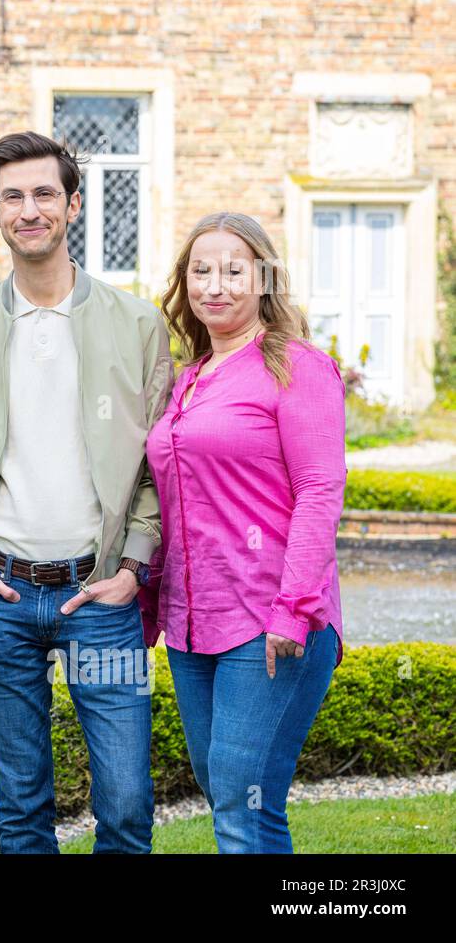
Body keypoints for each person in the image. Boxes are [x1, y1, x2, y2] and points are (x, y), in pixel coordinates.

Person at [0, 131, 173, 853]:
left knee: (125, 803)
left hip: (98, 598)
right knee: (22, 805)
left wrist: (132, 567)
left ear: (73, 204)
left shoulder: (136, 324)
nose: (29, 210)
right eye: (13, 198)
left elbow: (156, 460)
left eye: (43, 195)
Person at [142, 212, 346, 853]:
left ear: (263, 278)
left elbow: (320, 492)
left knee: (237, 801)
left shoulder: (297, 367)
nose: (216, 285)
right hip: (194, 621)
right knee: (239, 796)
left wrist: (292, 612)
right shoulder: (188, 379)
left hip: (271, 619)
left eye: (234, 270)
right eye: (201, 270)